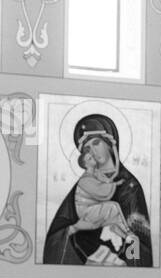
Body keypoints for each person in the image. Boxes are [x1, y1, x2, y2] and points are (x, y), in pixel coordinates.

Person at [43, 114, 152, 267]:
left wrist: (130, 266)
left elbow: (141, 238)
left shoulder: (129, 186)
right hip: (85, 262)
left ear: (110, 144)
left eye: (96, 143)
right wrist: (73, 229)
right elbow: (58, 235)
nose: (92, 151)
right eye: (87, 148)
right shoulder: (84, 183)